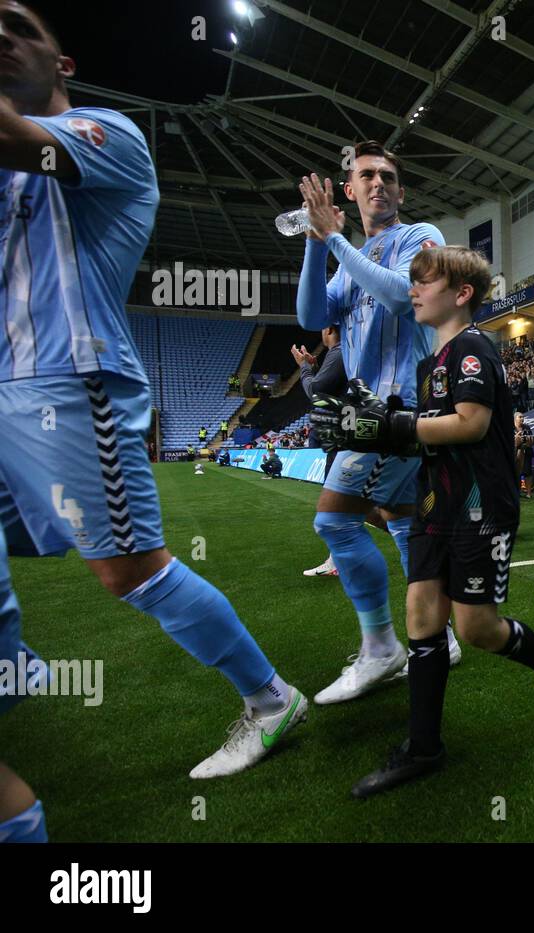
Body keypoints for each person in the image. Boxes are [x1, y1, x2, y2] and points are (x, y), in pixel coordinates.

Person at [0, 2, 306, 840]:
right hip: (3, 381)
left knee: (129, 571)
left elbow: (21, 141)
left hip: (72, 379)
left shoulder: (109, 133)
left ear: (62, 63)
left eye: (18, 24)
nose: (3, 34)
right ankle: (10, 674)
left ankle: (270, 696)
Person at [312, 245, 534, 798]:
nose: (413, 289)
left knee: (477, 629)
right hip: (437, 502)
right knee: (421, 615)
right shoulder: (429, 361)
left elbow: (471, 424)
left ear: (460, 294)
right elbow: (427, 430)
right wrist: (381, 421)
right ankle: (423, 747)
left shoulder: (474, 349)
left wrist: (391, 428)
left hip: (482, 507)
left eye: (424, 281)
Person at [297, 139, 455, 704]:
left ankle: (382, 645)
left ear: (401, 190)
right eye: (366, 175)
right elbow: (313, 315)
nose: (378, 184)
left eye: (387, 176)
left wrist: (335, 239)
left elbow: (402, 299)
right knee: (400, 517)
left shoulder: (420, 236)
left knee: (335, 523)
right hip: (370, 410)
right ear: (349, 189)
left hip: (402, 409)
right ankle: (442, 633)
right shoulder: (347, 258)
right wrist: (318, 243)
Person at [296, 325, 344, 577]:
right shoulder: (344, 351)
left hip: (344, 440)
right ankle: (336, 560)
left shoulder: (339, 351)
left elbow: (316, 393)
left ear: (329, 330)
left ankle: (339, 562)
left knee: (331, 510)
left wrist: (304, 367)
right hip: (347, 438)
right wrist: (313, 369)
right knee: (345, 510)